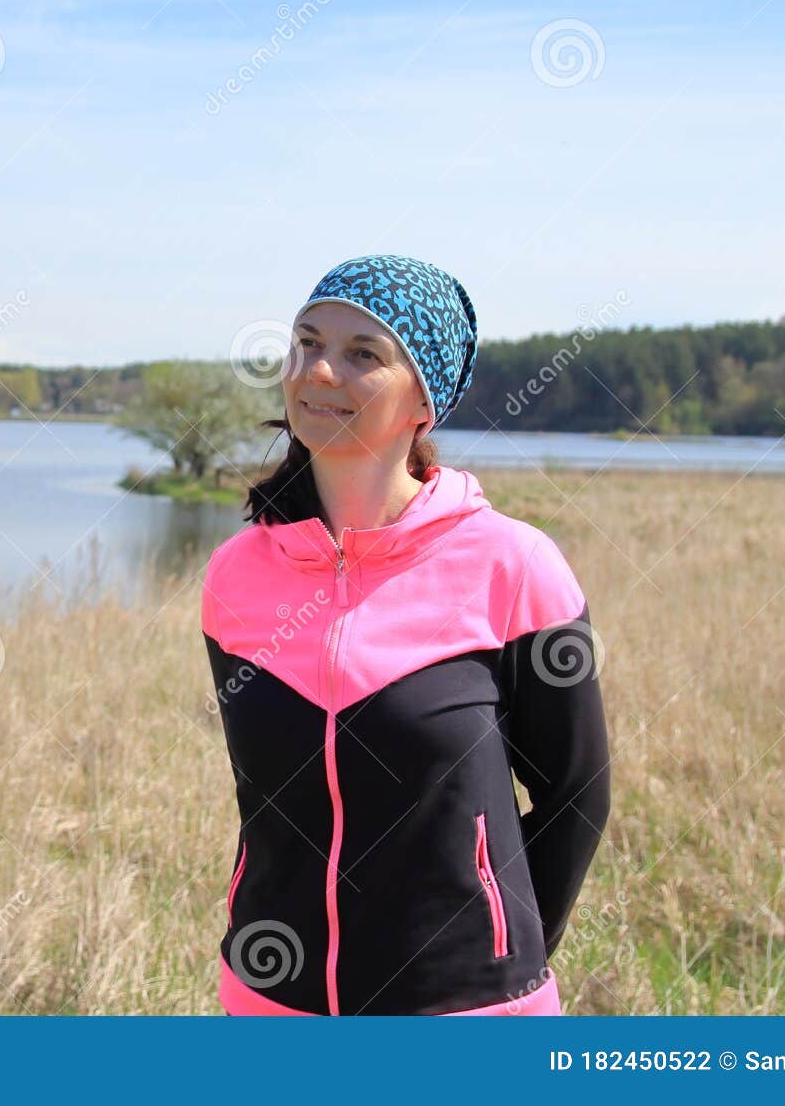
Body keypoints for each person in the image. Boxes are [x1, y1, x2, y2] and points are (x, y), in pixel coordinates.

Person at [202, 255, 611, 1016]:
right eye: (307, 341)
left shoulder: (515, 566)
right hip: (268, 1005)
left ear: (424, 398)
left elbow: (576, 793)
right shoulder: (236, 575)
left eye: (364, 353)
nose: (320, 371)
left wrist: (500, 964)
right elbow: (262, 797)